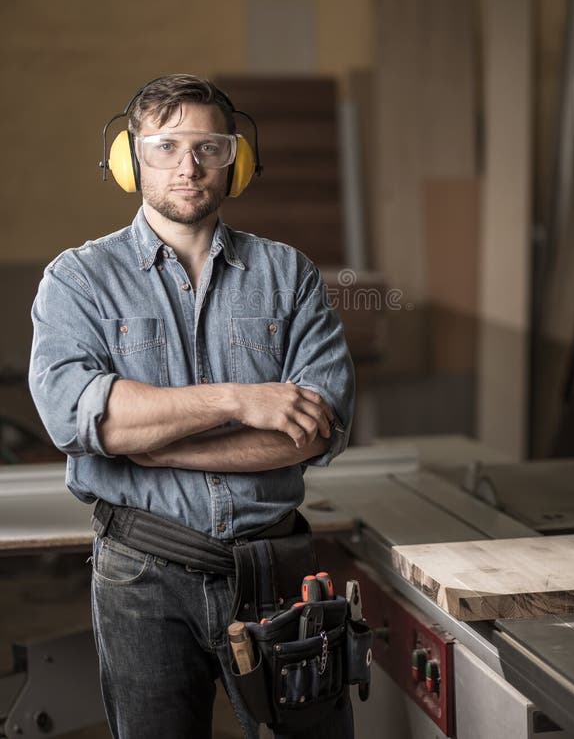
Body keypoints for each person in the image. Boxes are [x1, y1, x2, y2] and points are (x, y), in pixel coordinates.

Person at [29, 74, 355, 739]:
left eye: (209, 147)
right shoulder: (77, 280)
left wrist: (151, 442)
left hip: (274, 572)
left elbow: (315, 429)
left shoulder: (288, 275)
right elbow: (79, 417)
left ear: (235, 161)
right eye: (165, 145)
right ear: (129, 159)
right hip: (142, 575)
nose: (188, 165)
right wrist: (241, 399)